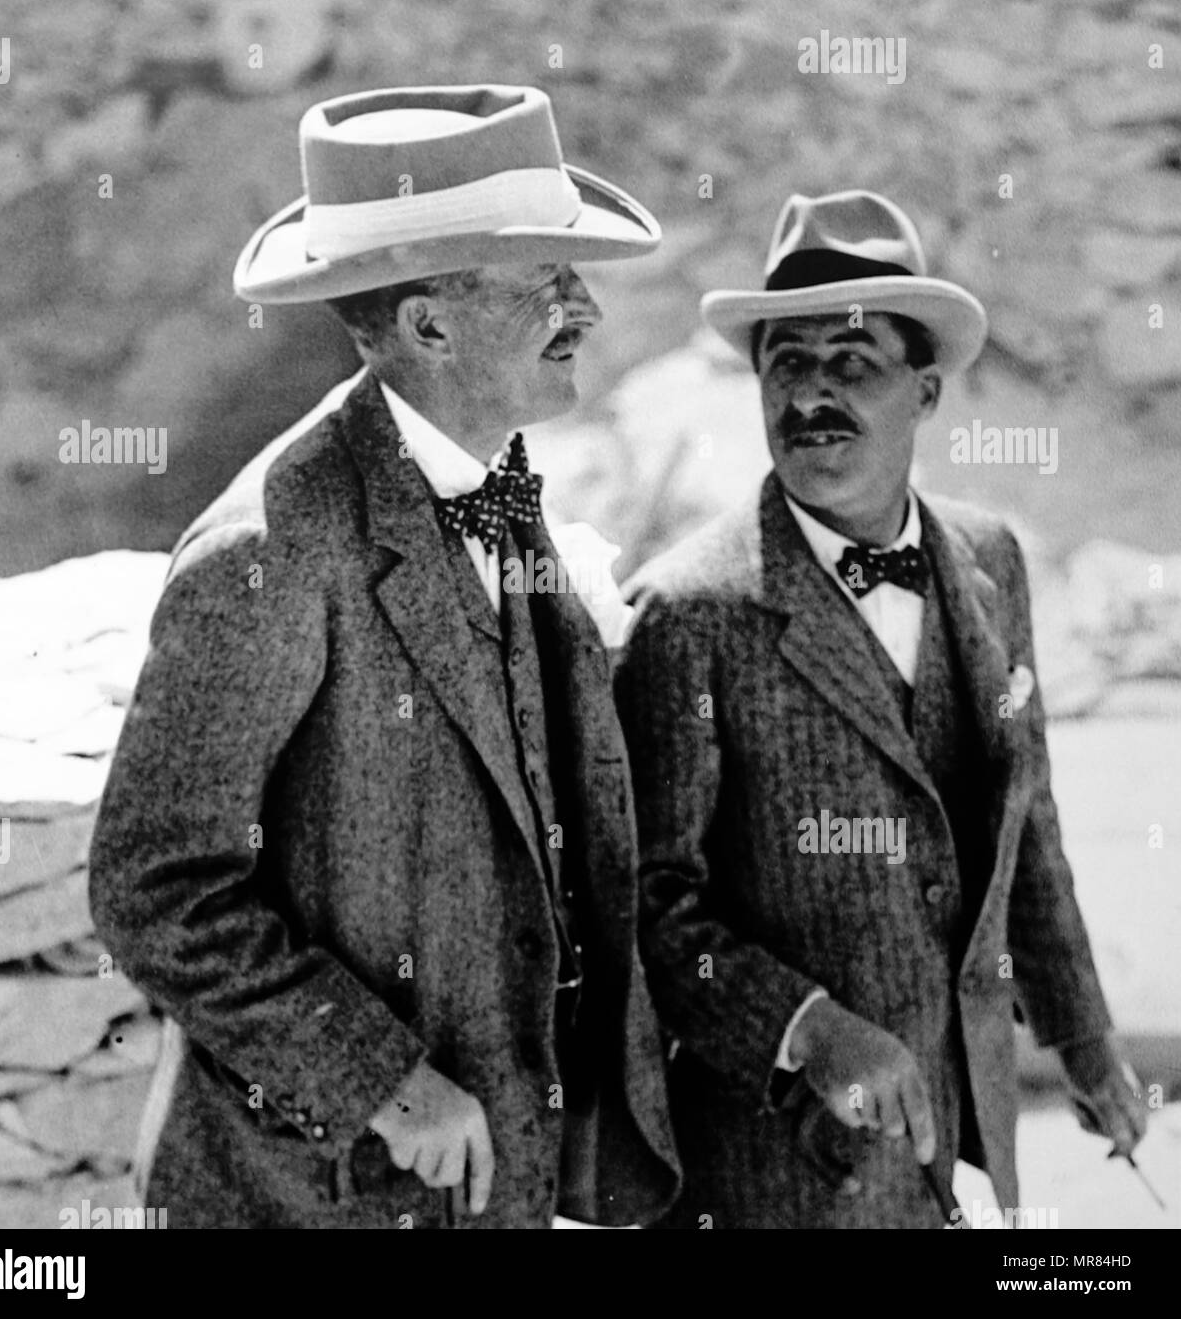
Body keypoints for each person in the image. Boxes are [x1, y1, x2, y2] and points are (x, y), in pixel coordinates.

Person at [89, 84, 679, 1229]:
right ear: (427, 325)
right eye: (545, 282)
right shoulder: (267, 554)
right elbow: (154, 886)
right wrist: (385, 1084)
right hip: (314, 1195)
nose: (585, 308)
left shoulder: (497, 482)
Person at [614, 189, 1146, 1228]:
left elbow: (1022, 831)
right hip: (772, 1176)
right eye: (785, 364)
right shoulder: (686, 612)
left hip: (957, 1148)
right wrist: (806, 1028)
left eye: (850, 363)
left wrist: (1084, 1044)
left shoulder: (988, 562)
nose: (811, 394)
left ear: (926, 390)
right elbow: (644, 902)